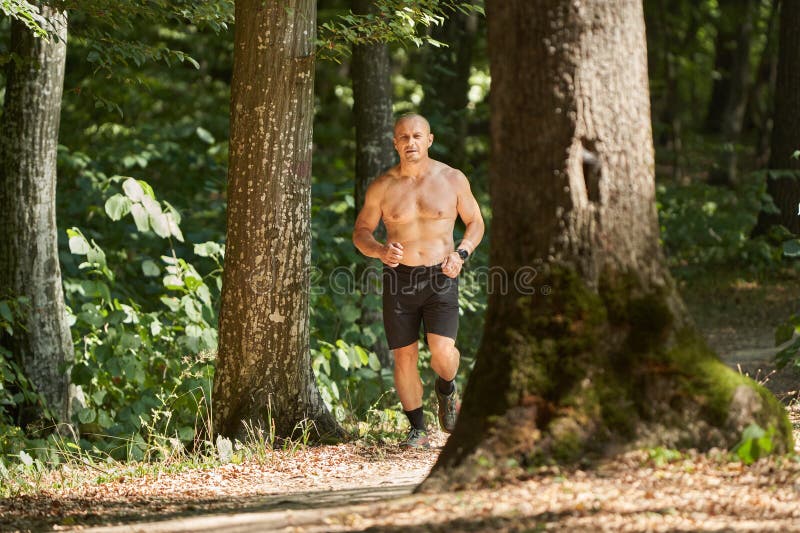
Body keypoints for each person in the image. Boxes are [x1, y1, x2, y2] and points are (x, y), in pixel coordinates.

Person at [352, 113, 485, 448]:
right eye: (403, 137)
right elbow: (361, 233)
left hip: (441, 275)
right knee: (404, 356)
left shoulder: (452, 179)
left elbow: (476, 222)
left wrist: (462, 253)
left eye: (416, 136)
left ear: (429, 139)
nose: (410, 143)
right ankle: (417, 429)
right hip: (399, 278)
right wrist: (380, 250)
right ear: (394, 142)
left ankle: (447, 387)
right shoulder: (383, 187)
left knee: (442, 353)